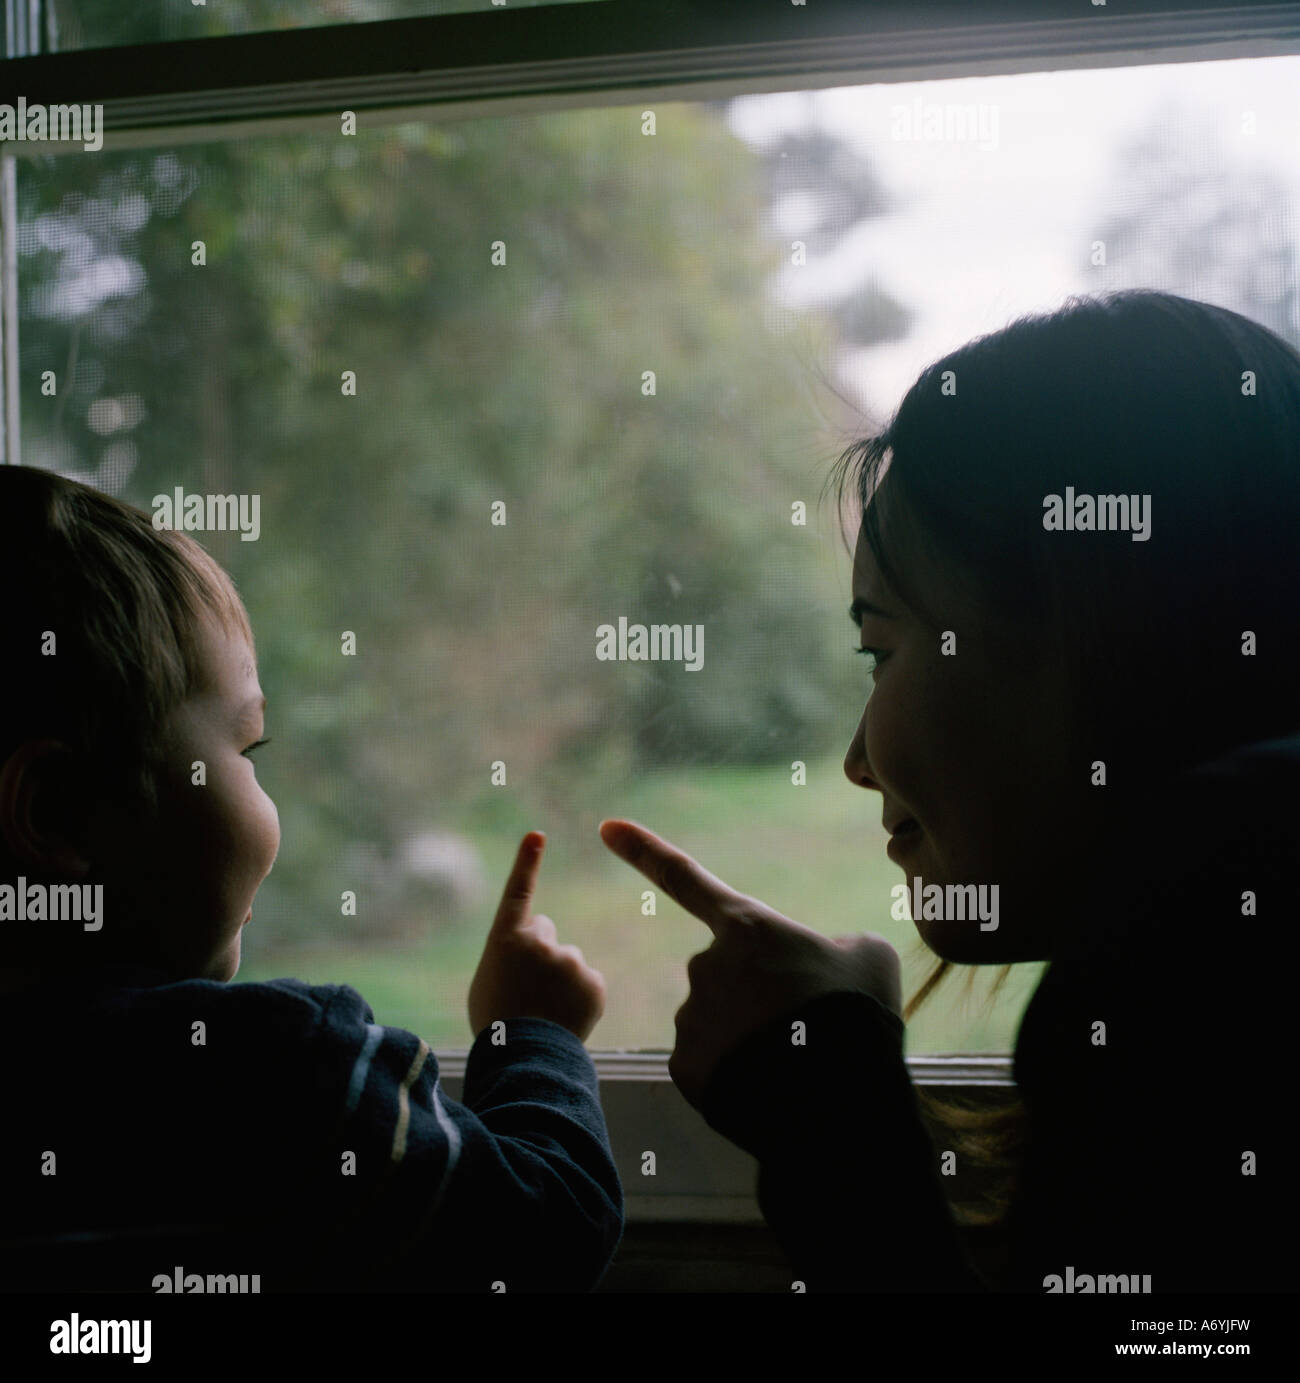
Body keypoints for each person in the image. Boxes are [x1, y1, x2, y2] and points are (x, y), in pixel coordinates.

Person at [599, 289, 1300, 1293]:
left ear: (1093, 637)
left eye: (879, 650)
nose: (854, 760)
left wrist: (831, 1119)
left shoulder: (1194, 983)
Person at [0, 465, 620, 1293]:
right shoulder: (286, 1077)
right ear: (60, 815)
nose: (268, 789)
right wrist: (532, 1033)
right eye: (247, 749)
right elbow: (549, 1231)